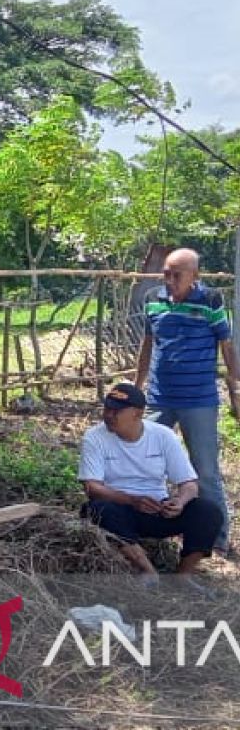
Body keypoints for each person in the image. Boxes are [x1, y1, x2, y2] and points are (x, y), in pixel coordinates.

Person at [134, 247, 240, 556]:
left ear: (195, 276)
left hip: (199, 400)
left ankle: (216, 538)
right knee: (146, 462)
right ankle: (147, 529)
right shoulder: (154, 299)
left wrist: (236, 386)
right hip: (159, 398)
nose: (169, 279)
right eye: (166, 272)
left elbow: (226, 345)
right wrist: (138, 387)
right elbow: (148, 343)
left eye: (176, 274)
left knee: (204, 470)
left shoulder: (209, 301)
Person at [79, 383, 223, 580]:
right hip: (120, 509)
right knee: (96, 509)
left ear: (138, 414)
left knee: (208, 511)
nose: (109, 415)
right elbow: (91, 487)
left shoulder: (163, 436)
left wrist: (179, 502)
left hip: (158, 508)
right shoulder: (94, 437)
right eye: (107, 408)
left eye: (117, 411)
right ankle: (147, 570)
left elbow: (189, 484)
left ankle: (183, 575)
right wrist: (131, 500)